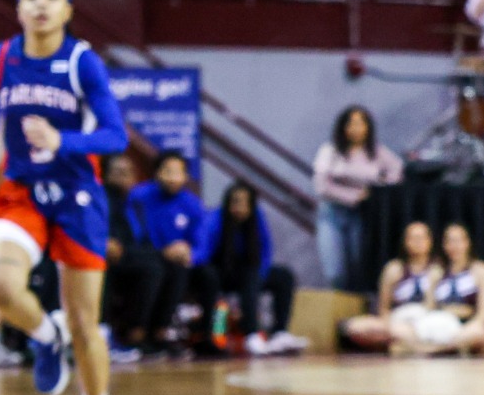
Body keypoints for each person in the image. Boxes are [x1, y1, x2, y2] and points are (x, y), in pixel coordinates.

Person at [0, 0, 130, 395]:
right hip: (21, 192)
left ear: (68, 12)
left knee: (83, 319)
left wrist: (62, 141)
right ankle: (42, 334)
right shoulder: (3, 58)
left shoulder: (81, 62)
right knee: (1, 285)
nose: (41, 4)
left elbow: (116, 136)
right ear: (18, 9)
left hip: (76, 193)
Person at [192, 181, 301, 357]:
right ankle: (250, 333)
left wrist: (260, 275)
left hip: (249, 274)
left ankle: (280, 332)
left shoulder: (258, 218)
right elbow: (203, 250)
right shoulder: (215, 219)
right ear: (227, 202)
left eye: (245, 203)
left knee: (283, 276)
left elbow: (265, 252)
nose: (240, 207)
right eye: (235, 202)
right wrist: (191, 259)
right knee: (243, 276)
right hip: (221, 274)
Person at [313, 105, 403, 292]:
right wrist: (354, 195)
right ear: (343, 127)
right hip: (332, 213)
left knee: (358, 266)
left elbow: (397, 169)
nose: (356, 129)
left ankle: (356, 311)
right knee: (335, 271)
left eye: (360, 124)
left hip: (360, 214)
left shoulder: (375, 151)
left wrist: (379, 187)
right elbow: (321, 186)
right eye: (351, 124)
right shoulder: (330, 150)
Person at [127, 150, 205, 357]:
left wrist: (190, 254)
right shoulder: (139, 197)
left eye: (178, 172)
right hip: (142, 254)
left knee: (186, 271)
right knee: (154, 269)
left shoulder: (192, 204)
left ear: (186, 176)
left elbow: (201, 244)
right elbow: (134, 234)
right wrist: (162, 251)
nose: (172, 178)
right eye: (167, 171)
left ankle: (163, 334)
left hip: (175, 260)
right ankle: (136, 333)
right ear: (157, 173)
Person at [390, 222, 484, 356]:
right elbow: (428, 308)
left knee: (479, 332)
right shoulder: (437, 271)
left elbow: (483, 315)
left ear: (467, 242)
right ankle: (440, 348)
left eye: (458, 241)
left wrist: (462, 312)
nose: (454, 246)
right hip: (438, 325)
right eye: (449, 241)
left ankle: (432, 350)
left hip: (464, 327)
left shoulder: (480, 270)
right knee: (398, 329)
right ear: (444, 245)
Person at [341, 221, 438, 351]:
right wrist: (389, 326)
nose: (417, 242)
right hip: (396, 323)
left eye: (421, 238)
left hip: (425, 323)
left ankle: (408, 345)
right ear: (405, 242)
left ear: (429, 241)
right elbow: (384, 308)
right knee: (354, 327)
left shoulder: (437, 270)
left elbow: (435, 306)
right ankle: (406, 345)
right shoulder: (394, 269)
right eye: (413, 238)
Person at [99, 153, 160, 357]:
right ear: (106, 176)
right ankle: (106, 333)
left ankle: (149, 332)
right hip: (105, 254)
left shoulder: (136, 202)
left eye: (128, 173)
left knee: (161, 265)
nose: (123, 178)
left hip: (131, 253)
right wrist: (105, 241)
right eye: (118, 173)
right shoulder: (104, 197)